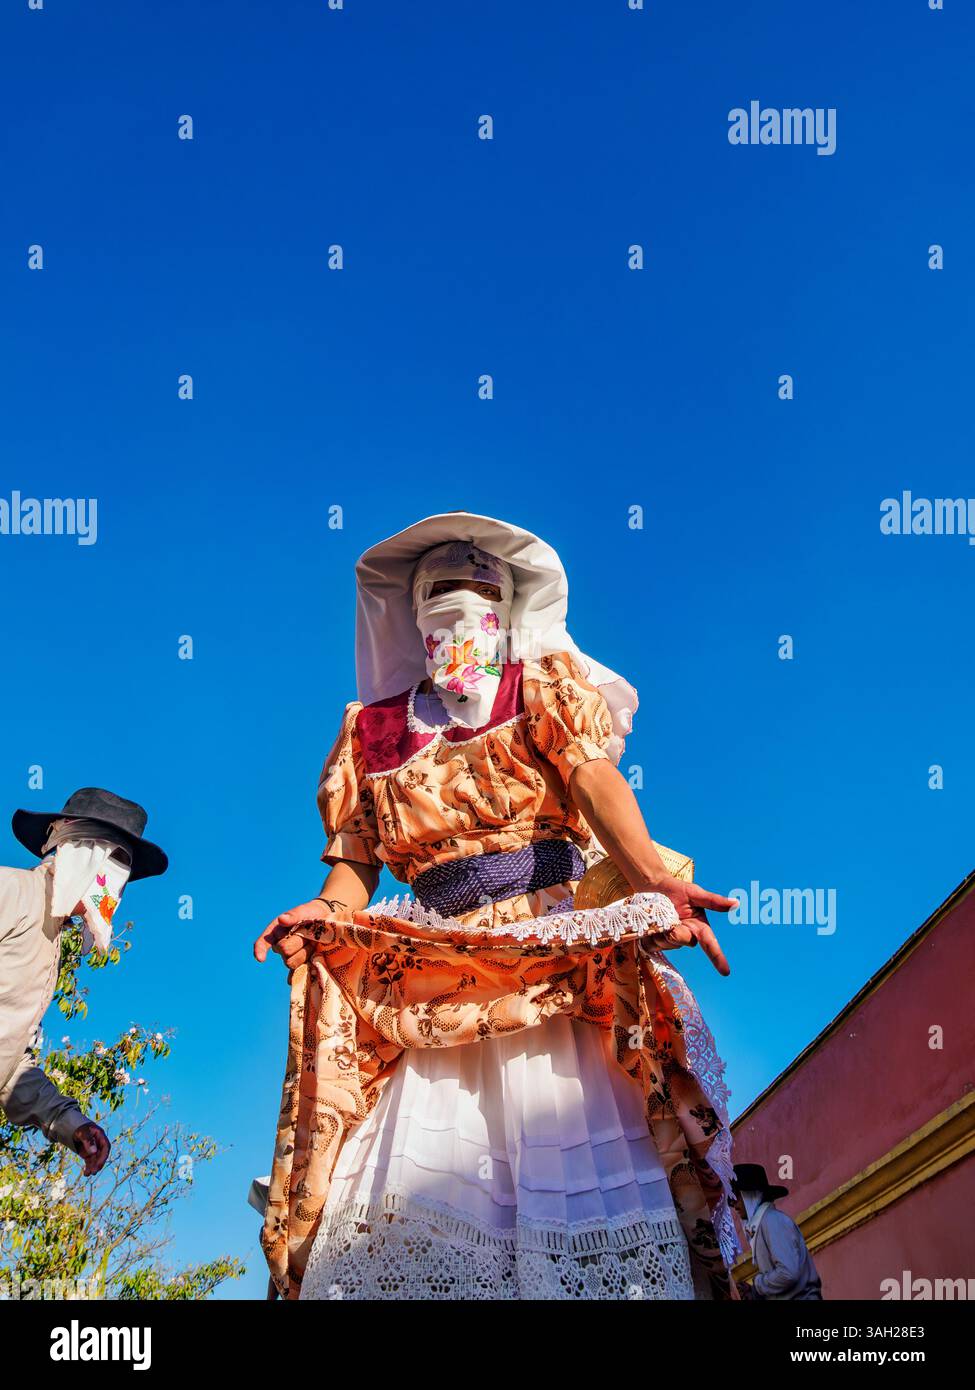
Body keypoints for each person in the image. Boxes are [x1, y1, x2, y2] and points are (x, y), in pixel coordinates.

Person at [255, 512, 740, 1300]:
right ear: (410, 612)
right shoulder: (369, 731)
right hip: (433, 966)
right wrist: (323, 913)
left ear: (507, 604)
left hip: (547, 941)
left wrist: (651, 878)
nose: (460, 601)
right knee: (417, 1208)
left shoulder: (540, 684)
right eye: (440, 588)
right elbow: (354, 863)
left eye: (480, 587)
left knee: (577, 1167)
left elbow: (591, 776)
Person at [0, 788, 168, 1175]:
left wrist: (72, 1125)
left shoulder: (50, 940)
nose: (118, 894)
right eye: (117, 872)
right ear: (89, 858)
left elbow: (12, 1071)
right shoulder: (13, 892)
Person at [732, 1163, 822, 1300]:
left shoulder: (773, 1221)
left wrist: (757, 1285)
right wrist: (754, 1293)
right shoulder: (762, 1224)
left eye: (736, 1196)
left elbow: (788, 1273)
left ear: (751, 1195)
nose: (733, 1204)